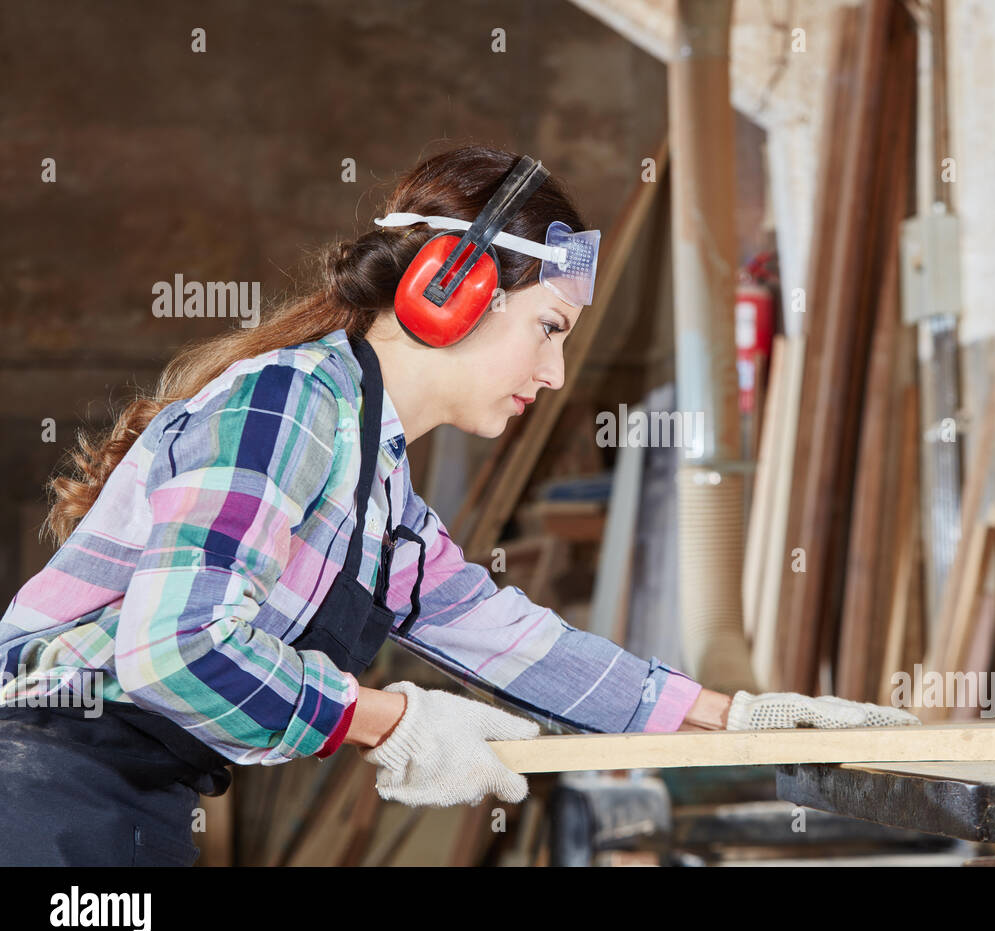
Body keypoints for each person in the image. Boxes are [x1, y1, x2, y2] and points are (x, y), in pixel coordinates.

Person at [0, 144, 918, 866]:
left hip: (113, 804)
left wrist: (738, 718)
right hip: (37, 793)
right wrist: (392, 721)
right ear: (452, 293)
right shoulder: (287, 406)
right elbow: (176, 650)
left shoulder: (376, 478)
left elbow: (520, 643)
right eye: (548, 330)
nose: (555, 374)